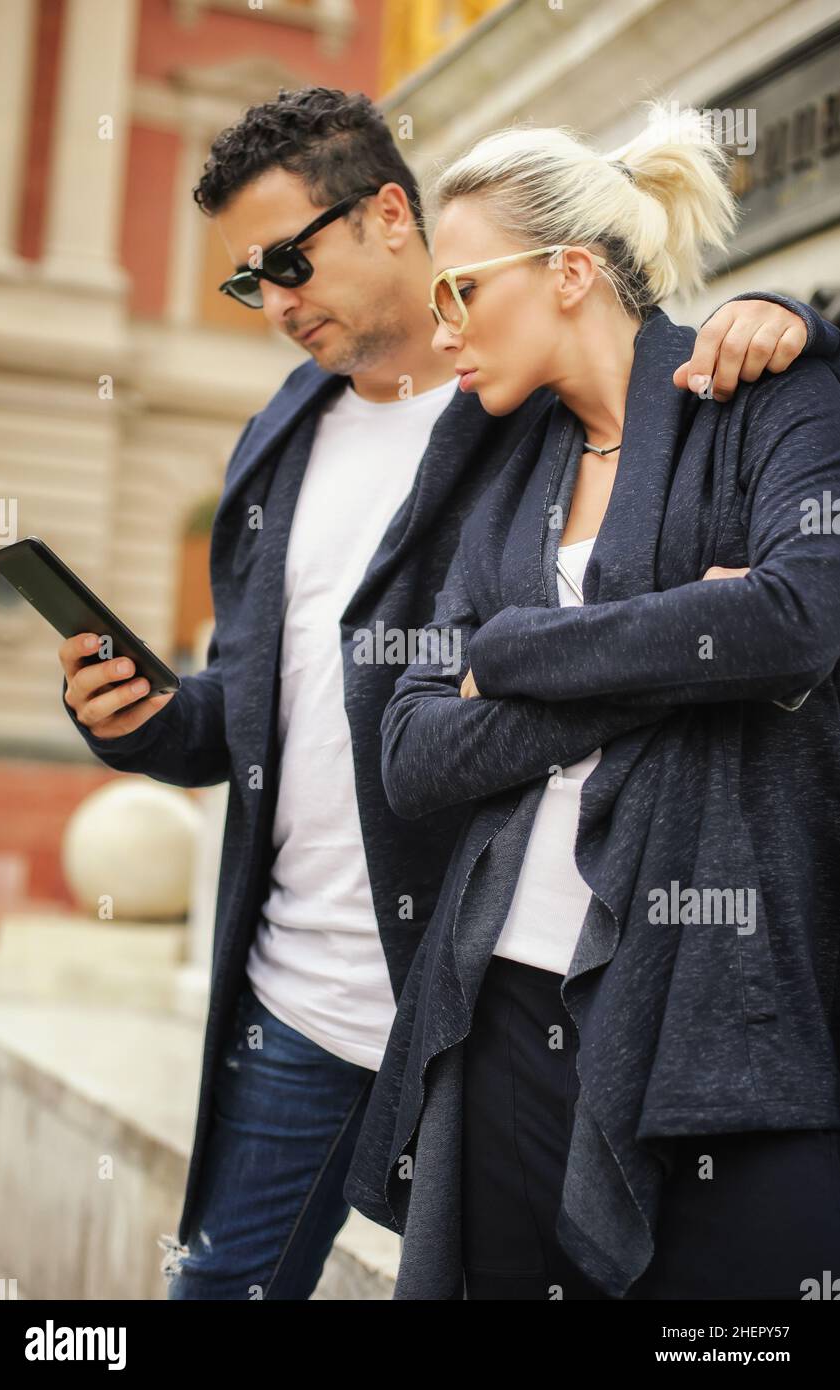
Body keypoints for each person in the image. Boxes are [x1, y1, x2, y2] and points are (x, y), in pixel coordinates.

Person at [57, 87, 830, 1300]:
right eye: (246, 282)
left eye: (286, 262)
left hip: (575, 989)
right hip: (351, 988)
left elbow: (782, 609)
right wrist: (153, 722)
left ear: (390, 217)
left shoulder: (532, 413)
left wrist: (787, 318)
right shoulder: (300, 435)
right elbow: (356, 725)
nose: (272, 302)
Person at [343, 104, 840, 1301]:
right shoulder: (507, 476)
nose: (442, 330)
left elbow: (793, 620)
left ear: (568, 273)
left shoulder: (769, 399)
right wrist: (680, 660)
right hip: (499, 1001)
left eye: (461, 290)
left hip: (723, 1007)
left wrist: (513, 647)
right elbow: (412, 748)